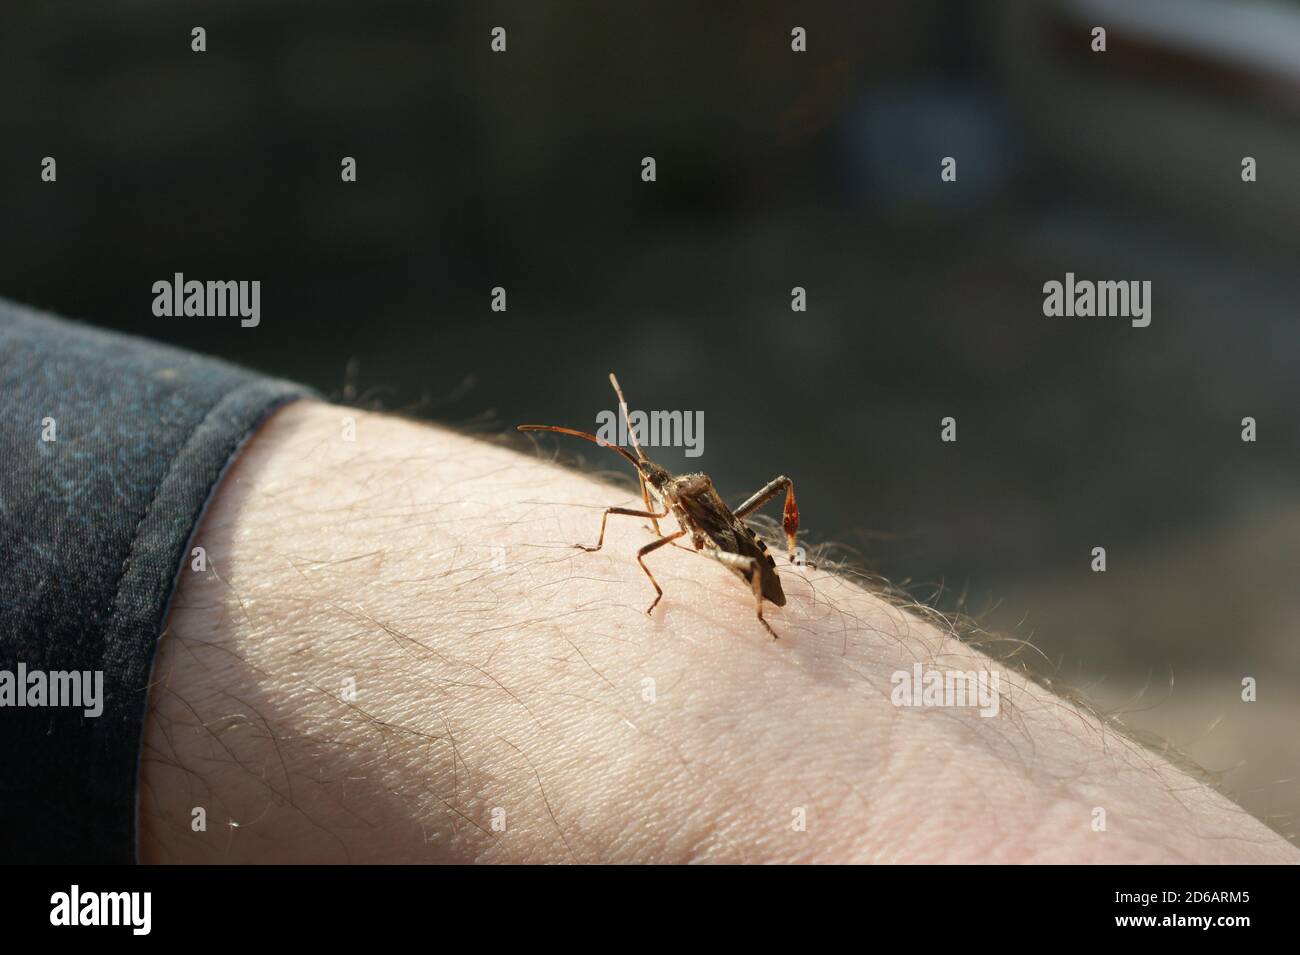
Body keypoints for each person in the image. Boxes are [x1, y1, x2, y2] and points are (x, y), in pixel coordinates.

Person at [3, 298, 1295, 863]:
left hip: (743, 555)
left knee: (702, 541)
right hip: (734, 549)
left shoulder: (680, 515)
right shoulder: (656, 495)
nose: (633, 484)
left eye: (629, 460)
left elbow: (659, 527)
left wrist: (733, 561)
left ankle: (774, 570)